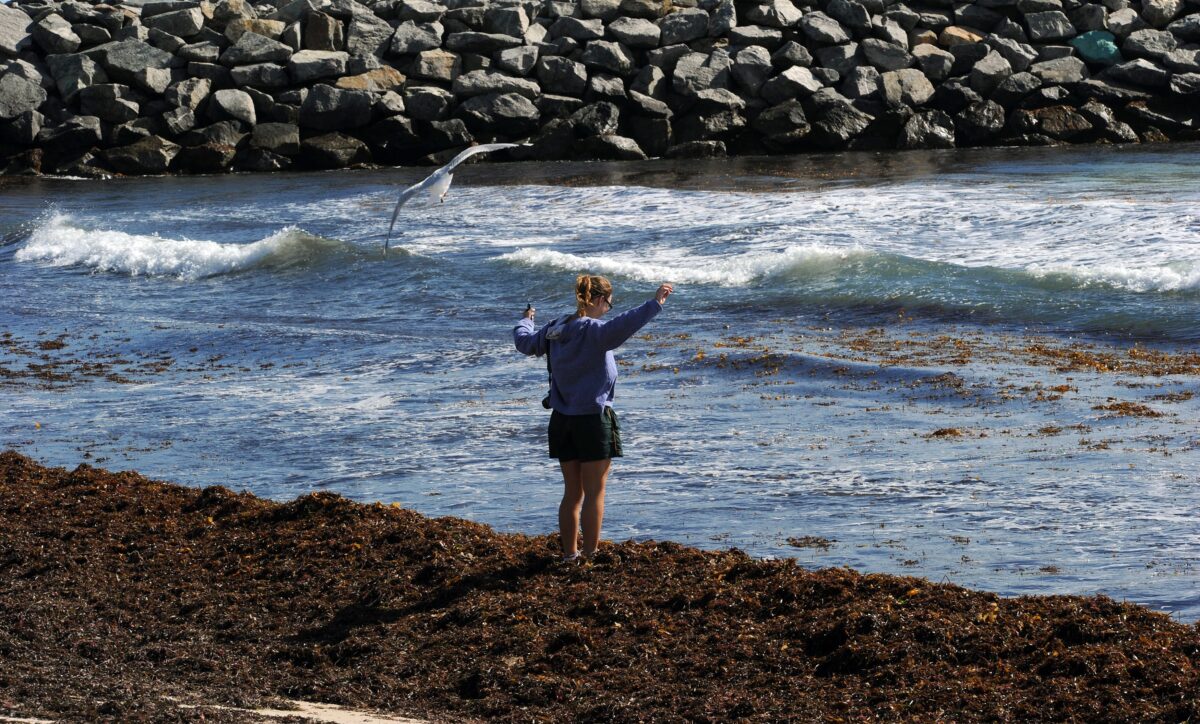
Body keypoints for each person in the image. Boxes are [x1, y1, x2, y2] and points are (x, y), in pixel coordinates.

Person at [514, 274, 673, 561]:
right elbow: (626, 323)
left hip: (562, 421)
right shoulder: (596, 332)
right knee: (594, 493)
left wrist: (527, 319)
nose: (608, 311)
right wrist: (655, 303)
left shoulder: (555, 328)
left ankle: (569, 555)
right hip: (592, 420)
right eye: (608, 305)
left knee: (572, 494)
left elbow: (524, 343)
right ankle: (589, 555)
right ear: (600, 300)